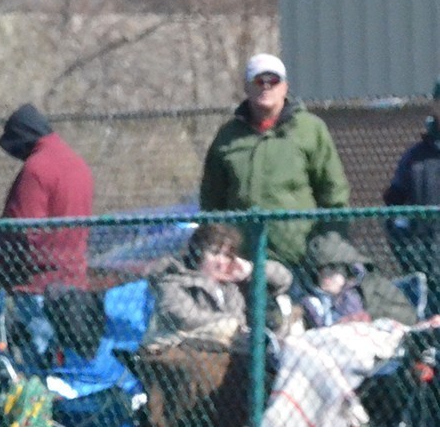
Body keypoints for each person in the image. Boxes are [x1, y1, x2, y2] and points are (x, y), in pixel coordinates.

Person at [199, 53, 350, 270]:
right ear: (246, 87)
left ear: (285, 87)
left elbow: (334, 195)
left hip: (301, 262)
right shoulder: (227, 137)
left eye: (274, 81)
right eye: (259, 81)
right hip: (243, 262)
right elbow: (212, 203)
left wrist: (328, 255)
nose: (266, 87)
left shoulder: (310, 129)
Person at [0, 103, 94, 366]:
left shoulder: (36, 169)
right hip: (73, 282)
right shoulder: (78, 165)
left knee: (38, 361)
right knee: (65, 360)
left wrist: (1, 268)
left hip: (37, 283)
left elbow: (19, 229)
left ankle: (41, 406)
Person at [147, 222, 292, 349]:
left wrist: (251, 270)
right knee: (227, 328)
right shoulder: (173, 280)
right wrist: (232, 324)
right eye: (215, 253)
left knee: (287, 313)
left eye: (227, 255)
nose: (222, 261)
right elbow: (185, 318)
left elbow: (284, 280)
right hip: (184, 349)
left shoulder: (231, 283)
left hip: (235, 348)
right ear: (197, 253)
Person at [381, 99, 440, 287]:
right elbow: (394, 208)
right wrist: (411, 256)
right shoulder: (415, 159)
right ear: (435, 105)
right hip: (428, 270)